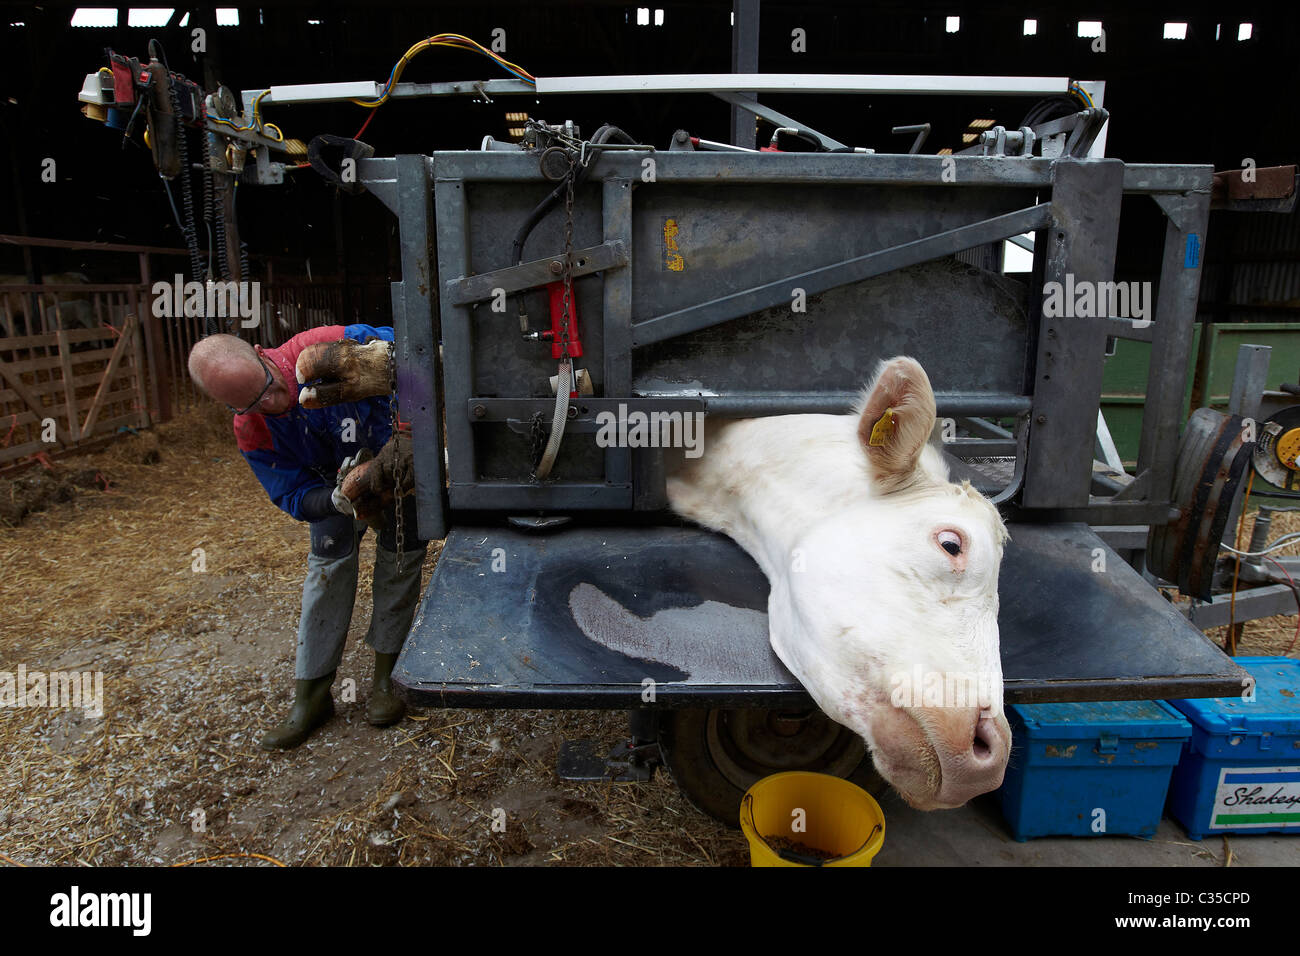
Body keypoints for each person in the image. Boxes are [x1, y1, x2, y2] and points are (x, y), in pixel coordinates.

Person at [187, 325, 427, 750]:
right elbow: (292, 495)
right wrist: (336, 499)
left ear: (262, 352)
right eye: (252, 404)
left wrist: (408, 433)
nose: (273, 402)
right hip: (329, 487)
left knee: (400, 558)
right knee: (327, 573)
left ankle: (387, 681)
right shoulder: (252, 429)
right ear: (229, 406)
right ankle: (311, 698)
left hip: (396, 462)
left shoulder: (328, 345)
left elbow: (412, 351)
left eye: (270, 386)